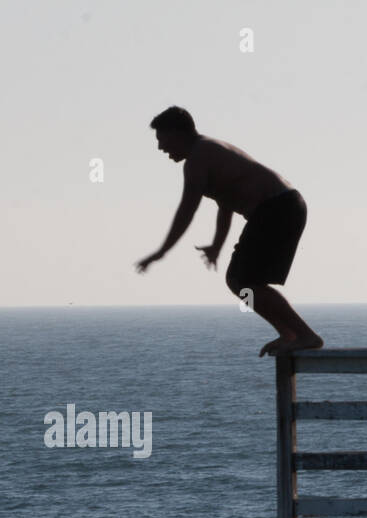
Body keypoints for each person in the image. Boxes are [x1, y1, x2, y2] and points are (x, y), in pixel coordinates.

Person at [135, 106, 322, 356]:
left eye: (162, 140)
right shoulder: (210, 152)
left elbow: (186, 210)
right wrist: (216, 245)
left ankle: (305, 335)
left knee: (242, 281)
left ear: (178, 133)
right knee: (244, 281)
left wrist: (161, 252)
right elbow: (225, 203)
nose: (160, 148)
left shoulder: (198, 158)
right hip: (283, 206)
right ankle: (290, 334)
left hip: (277, 208)